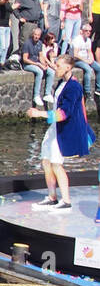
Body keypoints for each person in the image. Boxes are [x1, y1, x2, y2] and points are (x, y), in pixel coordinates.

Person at [26, 54, 94, 211]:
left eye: (58, 66)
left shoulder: (74, 87)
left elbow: (64, 113)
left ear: (68, 68)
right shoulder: (62, 84)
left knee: (57, 164)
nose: (54, 68)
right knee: (46, 160)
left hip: (64, 129)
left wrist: (39, 114)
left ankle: (66, 200)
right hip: (55, 128)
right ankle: (52, 196)